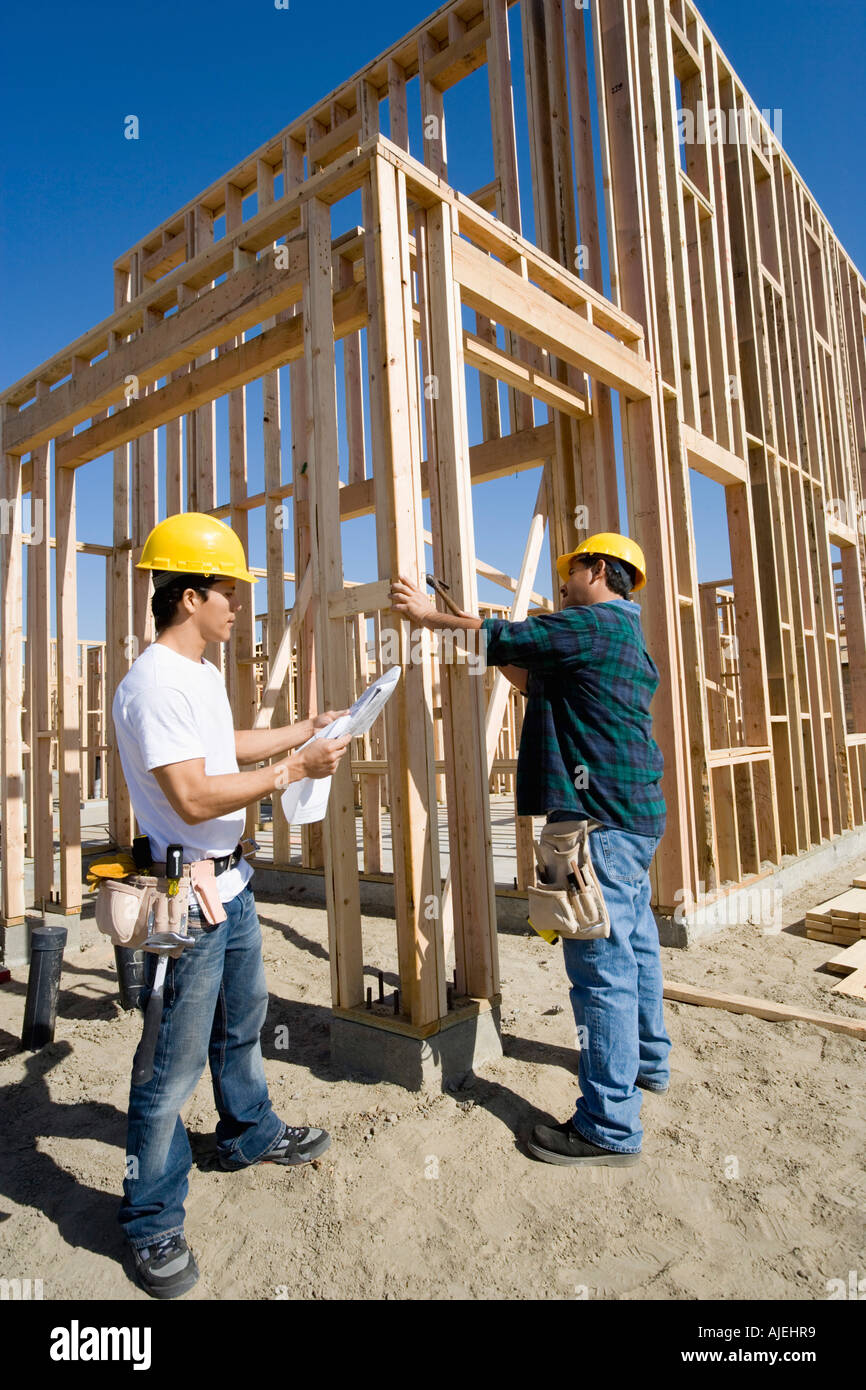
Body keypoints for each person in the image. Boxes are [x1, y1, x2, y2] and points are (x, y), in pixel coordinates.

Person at [112, 512, 351, 1298]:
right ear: (187, 597)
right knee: (170, 1064)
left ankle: (247, 1132)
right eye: (227, 590)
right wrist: (294, 771)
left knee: (242, 1021)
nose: (237, 604)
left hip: (232, 884)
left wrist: (298, 734)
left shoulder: (203, 676)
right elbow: (189, 794)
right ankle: (150, 1220)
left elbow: (223, 747)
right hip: (186, 896)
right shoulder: (150, 684)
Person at [390, 532, 670, 1169]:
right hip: (632, 819)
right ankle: (647, 1063)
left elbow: (509, 640)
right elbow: (526, 668)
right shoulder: (620, 635)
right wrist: (486, 640)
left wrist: (428, 616)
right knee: (635, 945)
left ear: (598, 570)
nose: (563, 584)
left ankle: (608, 1128)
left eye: (571, 572)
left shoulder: (591, 624)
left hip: (599, 825)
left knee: (601, 970)